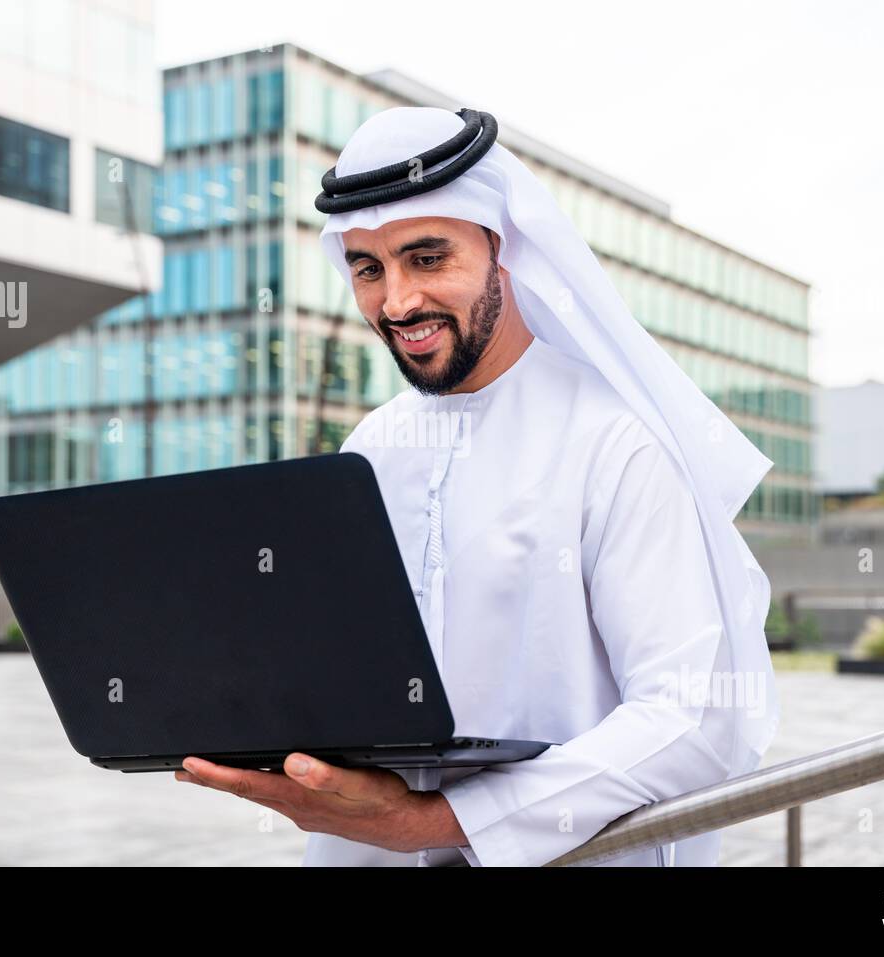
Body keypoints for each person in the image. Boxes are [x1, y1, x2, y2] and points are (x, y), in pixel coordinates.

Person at [174, 106, 780, 867]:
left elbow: (694, 721)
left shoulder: (617, 441)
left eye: (427, 258)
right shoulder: (368, 449)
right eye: (368, 268)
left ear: (504, 249)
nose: (395, 303)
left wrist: (437, 820)